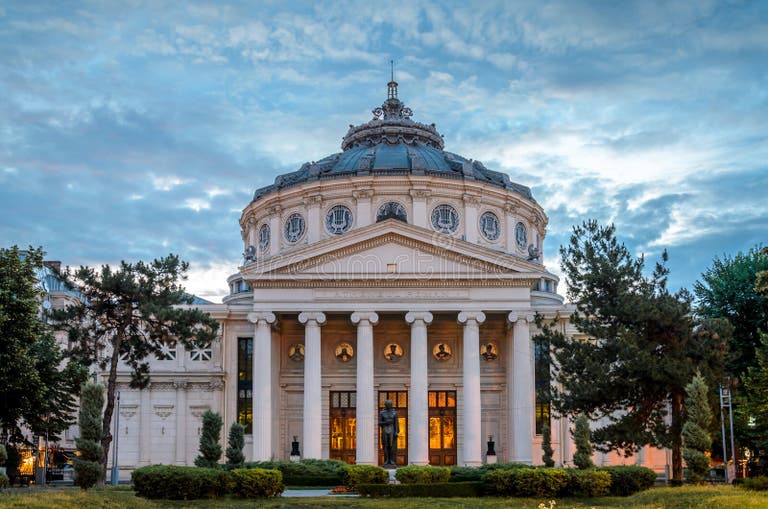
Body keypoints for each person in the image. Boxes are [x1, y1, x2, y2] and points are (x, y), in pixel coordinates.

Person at [379, 399, 399, 467]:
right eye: (387, 404)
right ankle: (386, 460)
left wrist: (396, 432)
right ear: (385, 405)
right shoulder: (382, 413)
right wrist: (385, 423)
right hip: (385, 430)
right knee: (385, 446)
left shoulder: (394, 413)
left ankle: (392, 461)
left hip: (392, 430)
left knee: (392, 446)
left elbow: (396, 423)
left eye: (389, 404)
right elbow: (379, 423)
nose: (388, 406)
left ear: (391, 405)